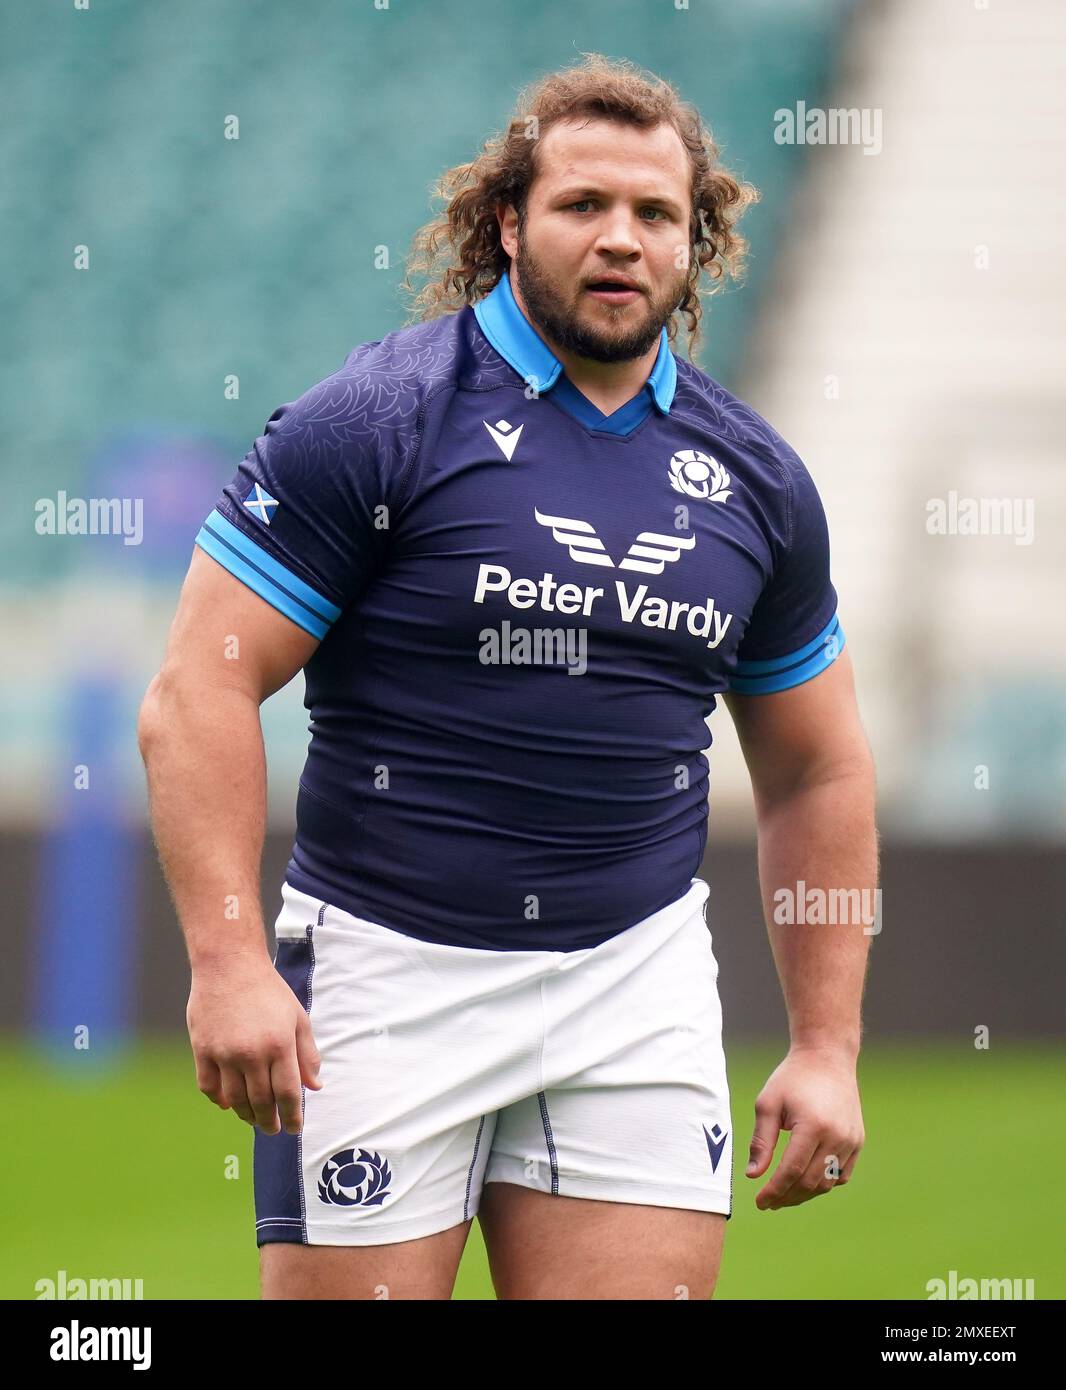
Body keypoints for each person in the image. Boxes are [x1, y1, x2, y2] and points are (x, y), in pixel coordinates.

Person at [138, 53, 877, 1301]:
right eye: (582, 205)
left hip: (631, 983)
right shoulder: (376, 419)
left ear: (695, 244)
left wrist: (827, 1043)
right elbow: (194, 692)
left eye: (655, 214)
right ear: (506, 221)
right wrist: (227, 966)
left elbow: (818, 761)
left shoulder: (755, 478)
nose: (620, 240)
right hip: (382, 975)